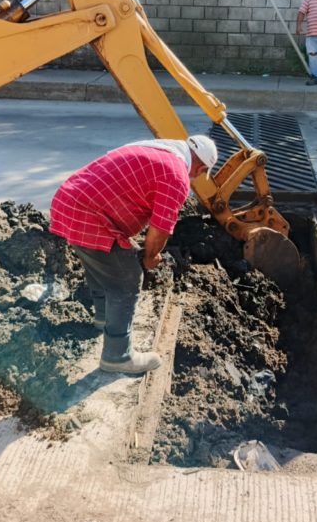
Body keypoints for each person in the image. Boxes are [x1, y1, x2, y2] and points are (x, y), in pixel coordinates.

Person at [49, 135, 218, 375]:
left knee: (101, 262)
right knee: (127, 279)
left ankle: (104, 318)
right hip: (89, 214)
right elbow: (159, 230)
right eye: (200, 174)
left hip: (68, 201)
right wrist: (150, 257)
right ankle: (118, 356)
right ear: (200, 168)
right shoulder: (177, 175)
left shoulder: (154, 147)